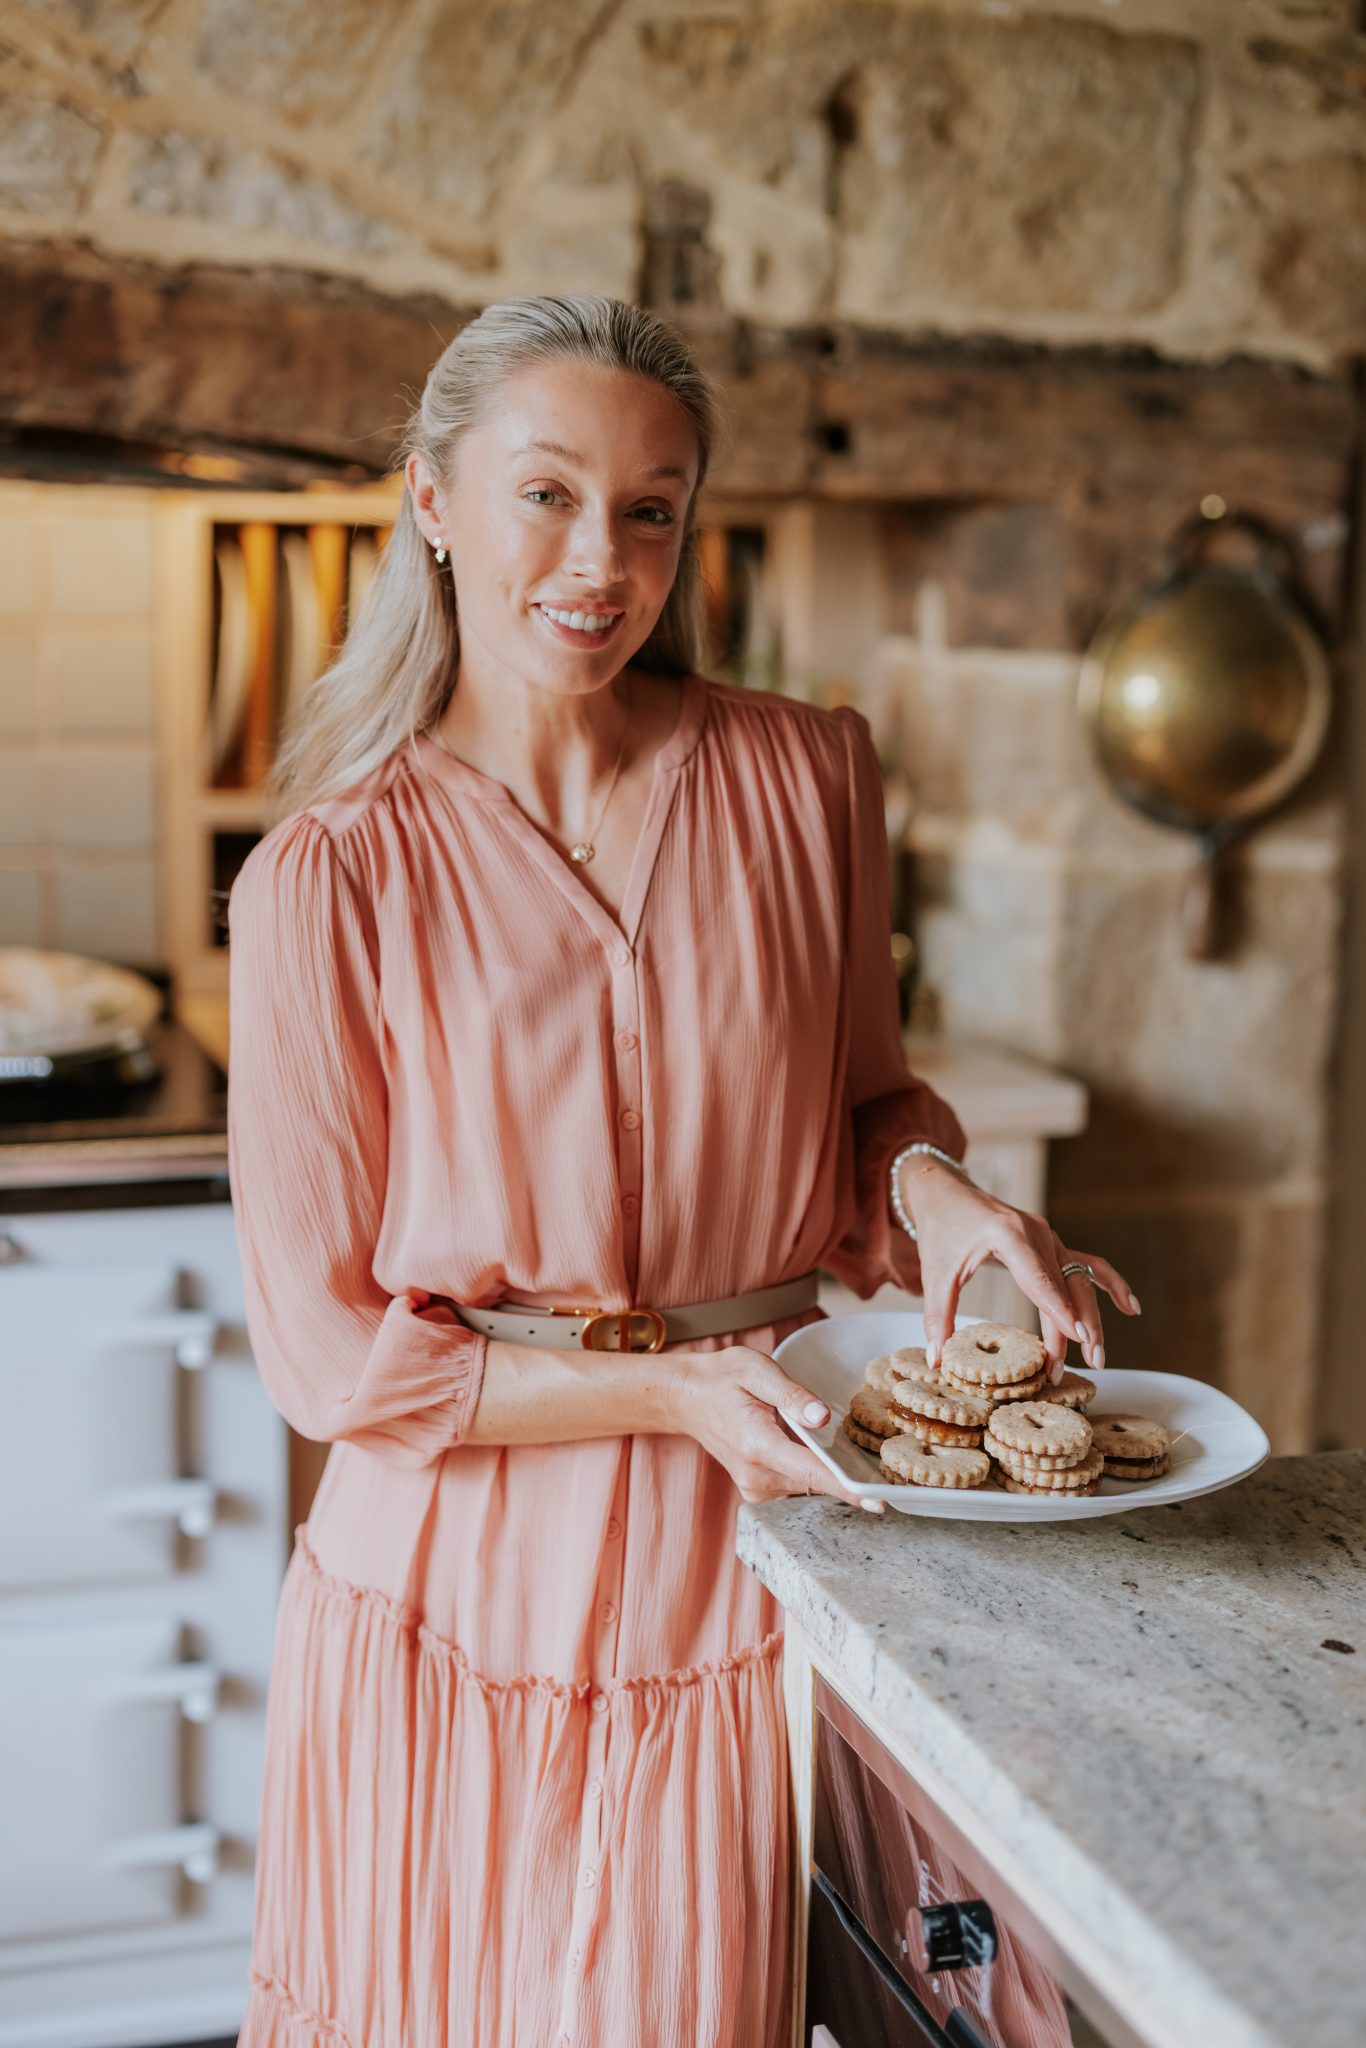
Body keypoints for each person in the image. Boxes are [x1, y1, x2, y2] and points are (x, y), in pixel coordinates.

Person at [227, 292, 1139, 2048]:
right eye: (546, 494)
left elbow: (866, 1111)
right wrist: (674, 1399)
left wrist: (940, 1193)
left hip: (743, 1559)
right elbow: (329, 1356)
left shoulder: (807, 780)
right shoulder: (327, 879)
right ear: (431, 499)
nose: (600, 560)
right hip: (445, 1590)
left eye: (651, 507)